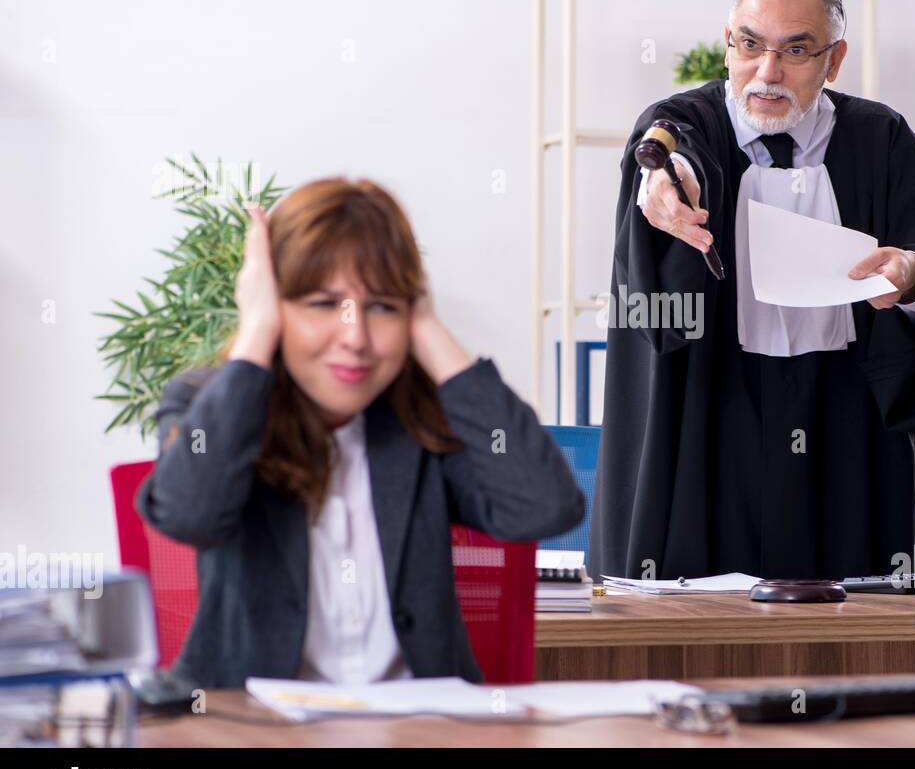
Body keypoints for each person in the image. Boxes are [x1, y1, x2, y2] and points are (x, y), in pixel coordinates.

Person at [590, 0, 915, 581]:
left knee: (852, 632)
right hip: (710, 412)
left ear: (833, 60)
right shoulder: (683, 125)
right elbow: (667, 154)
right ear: (728, 44)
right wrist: (670, 188)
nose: (767, 72)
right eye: (750, 45)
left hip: (845, 418)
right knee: (701, 632)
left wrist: (912, 276)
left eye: (796, 50)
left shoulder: (879, 139)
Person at [137, 178, 584, 688]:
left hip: (420, 729)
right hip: (254, 730)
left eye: (382, 307)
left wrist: (430, 334)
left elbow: (546, 506)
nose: (355, 339)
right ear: (275, 303)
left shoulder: (421, 419)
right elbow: (189, 514)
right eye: (323, 304)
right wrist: (257, 331)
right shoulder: (210, 403)